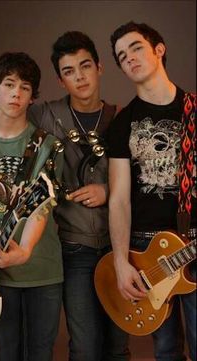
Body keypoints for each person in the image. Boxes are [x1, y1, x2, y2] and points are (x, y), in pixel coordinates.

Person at [0, 32, 130, 361]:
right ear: (60, 79)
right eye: (69, 71)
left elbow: (141, 179)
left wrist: (108, 191)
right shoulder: (46, 115)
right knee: (72, 346)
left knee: (114, 344)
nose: (79, 77)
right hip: (69, 247)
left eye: (85, 67)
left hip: (114, 244)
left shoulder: (118, 118)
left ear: (100, 67)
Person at [0, 52, 64, 361]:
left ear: (33, 97)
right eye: (9, 84)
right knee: (7, 354)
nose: (16, 93)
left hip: (42, 269)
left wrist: (26, 248)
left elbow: (42, 207)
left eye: (25, 87)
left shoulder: (44, 145)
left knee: (40, 354)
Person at [108, 21, 196, 361]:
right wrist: (120, 262)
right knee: (166, 350)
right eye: (120, 56)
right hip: (147, 251)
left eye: (136, 47)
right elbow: (118, 200)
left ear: (159, 49)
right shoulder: (123, 123)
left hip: (192, 239)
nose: (128, 58)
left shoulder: (193, 110)